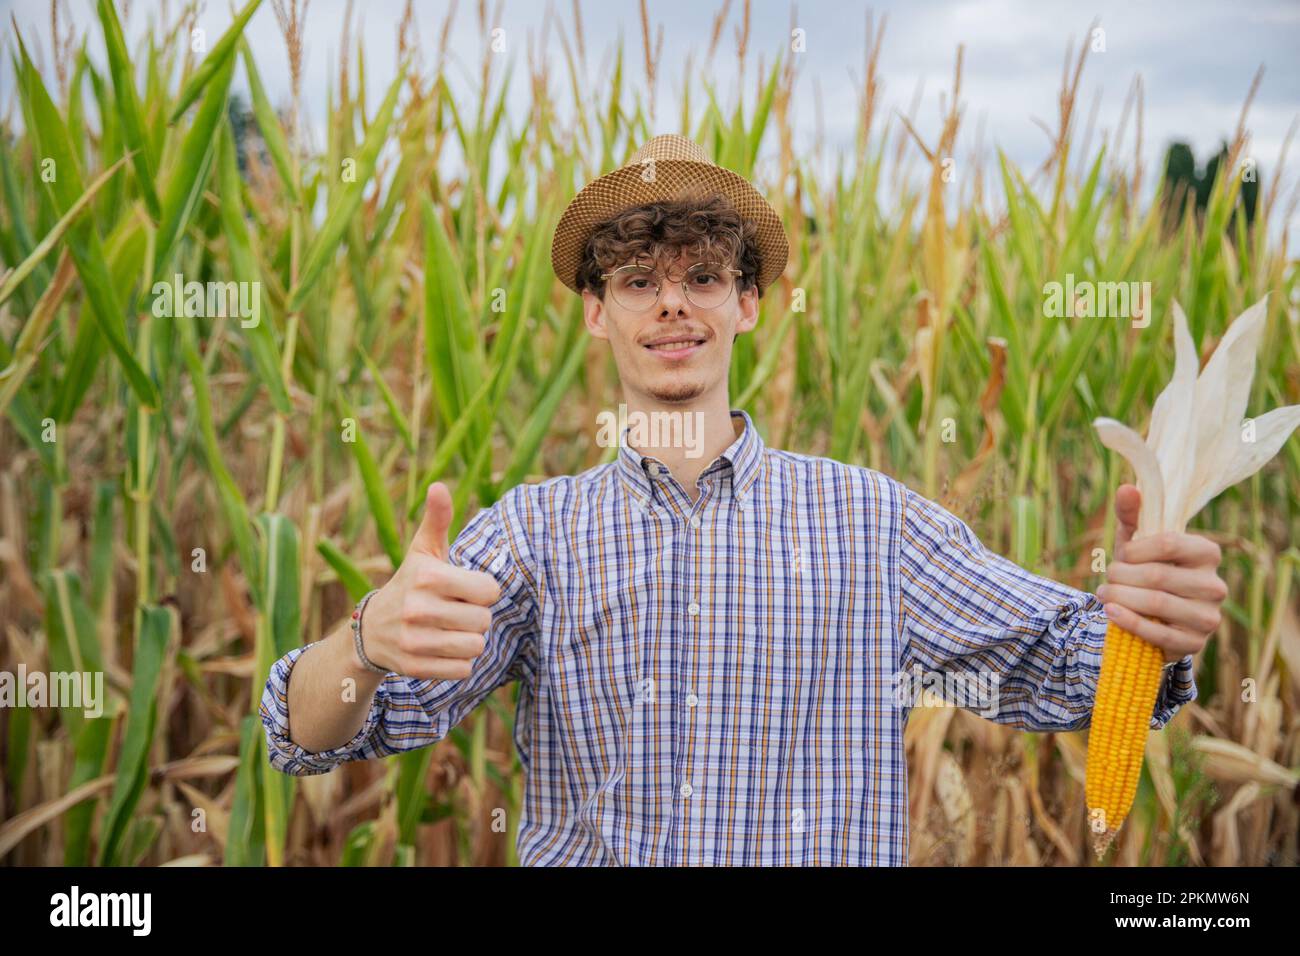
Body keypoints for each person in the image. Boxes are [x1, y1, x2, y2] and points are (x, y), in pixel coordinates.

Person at [260, 134, 1226, 865]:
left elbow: (1064, 670)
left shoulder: (872, 524)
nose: (672, 304)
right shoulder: (531, 537)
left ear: (748, 304)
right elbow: (308, 735)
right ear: (597, 313)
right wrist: (362, 645)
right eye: (638, 281)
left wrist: (1152, 622)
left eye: (704, 278)